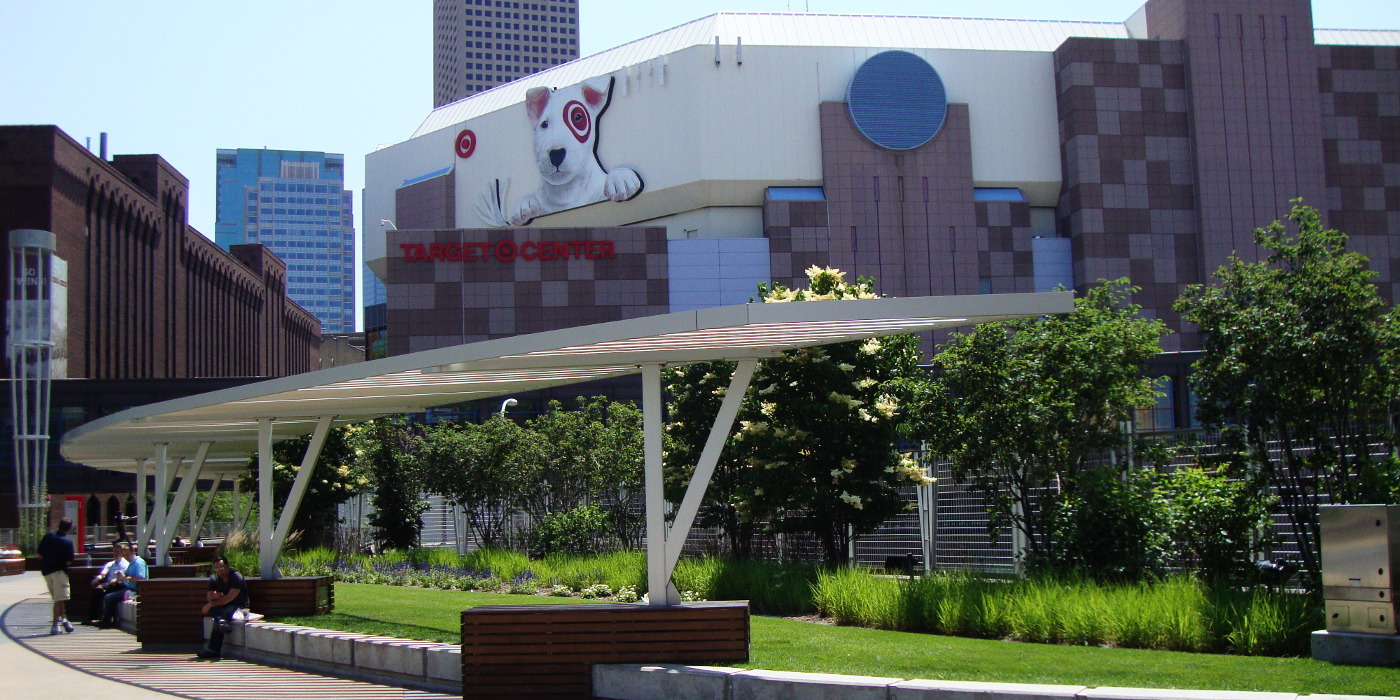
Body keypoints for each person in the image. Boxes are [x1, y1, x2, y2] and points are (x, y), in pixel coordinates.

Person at [198, 556, 249, 659]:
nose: (219, 571)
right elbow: (209, 597)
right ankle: (222, 622)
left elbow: (229, 598)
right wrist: (213, 597)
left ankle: (213, 650)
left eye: (221, 568)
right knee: (219, 613)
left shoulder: (236, 577)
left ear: (228, 566)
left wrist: (211, 604)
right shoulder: (214, 579)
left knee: (220, 612)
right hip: (222, 605)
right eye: (216, 569)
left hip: (238, 606)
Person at [38, 517, 76, 635]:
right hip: (59, 572)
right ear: (69, 529)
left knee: (58, 598)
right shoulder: (67, 542)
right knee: (59, 600)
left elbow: (39, 554)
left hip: (47, 572)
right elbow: (69, 561)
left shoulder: (48, 536)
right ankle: (55, 625)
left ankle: (65, 620)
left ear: (58, 525)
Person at [97, 541, 147, 628]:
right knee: (109, 594)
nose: (126, 557)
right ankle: (109, 619)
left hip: (135, 590)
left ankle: (106, 621)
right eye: (125, 556)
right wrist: (119, 575)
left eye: (128, 555)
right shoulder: (131, 563)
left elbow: (140, 578)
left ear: (133, 552)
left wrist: (125, 578)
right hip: (129, 589)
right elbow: (125, 574)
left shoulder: (138, 563)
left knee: (109, 597)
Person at [87, 542, 129, 624]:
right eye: (114, 551)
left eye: (118, 552)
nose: (116, 554)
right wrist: (97, 579)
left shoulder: (125, 564)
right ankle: (93, 617)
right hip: (109, 584)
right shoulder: (110, 564)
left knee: (101, 591)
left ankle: (105, 619)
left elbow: (119, 578)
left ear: (122, 552)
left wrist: (105, 585)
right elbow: (103, 574)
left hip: (119, 584)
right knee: (96, 590)